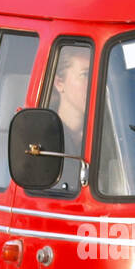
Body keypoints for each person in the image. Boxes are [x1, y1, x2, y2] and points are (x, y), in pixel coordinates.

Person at [45, 43, 91, 192]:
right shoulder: (44, 138)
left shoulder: (111, 133)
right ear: (59, 83)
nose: (94, 83)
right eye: (85, 74)